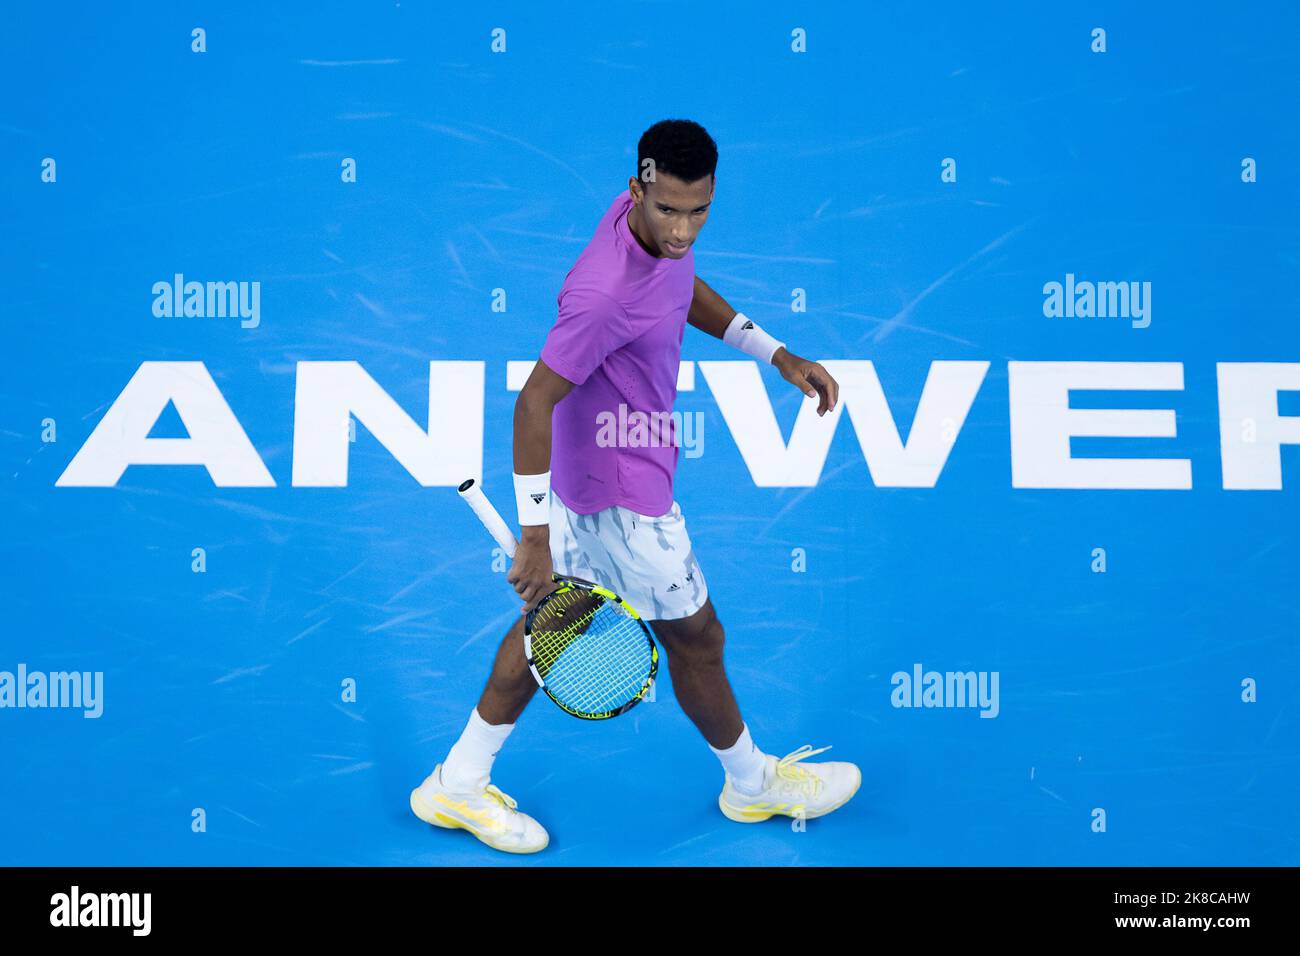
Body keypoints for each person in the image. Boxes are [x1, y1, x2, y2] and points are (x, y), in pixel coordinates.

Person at [410, 119, 859, 853]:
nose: (683, 231)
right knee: (698, 639)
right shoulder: (602, 295)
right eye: (669, 211)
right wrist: (533, 536)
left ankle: (456, 784)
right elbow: (533, 402)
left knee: (553, 631)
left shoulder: (642, 224)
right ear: (636, 190)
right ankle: (752, 784)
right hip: (624, 500)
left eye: (699, 210)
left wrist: (773, 351)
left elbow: (679, 287)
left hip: (609, 477)